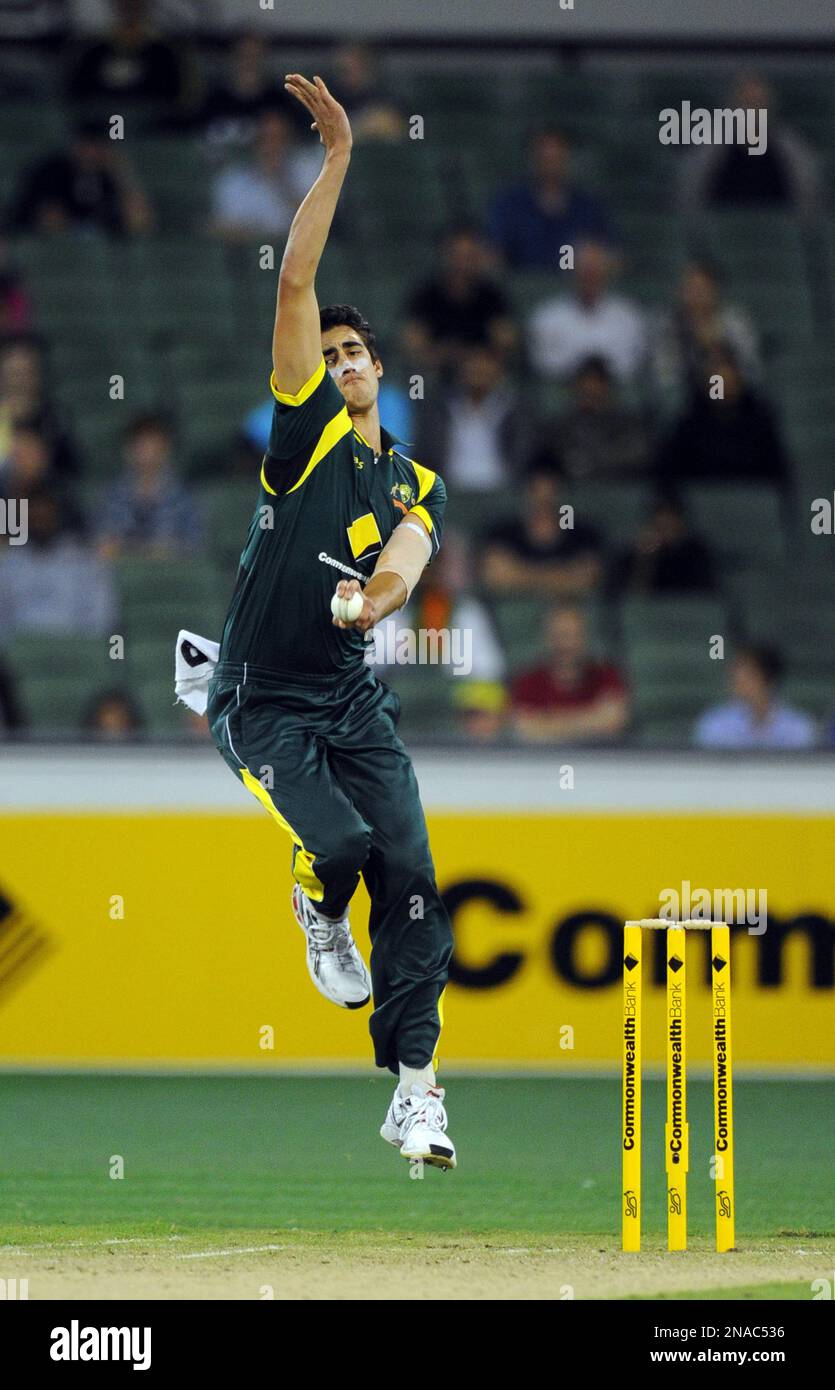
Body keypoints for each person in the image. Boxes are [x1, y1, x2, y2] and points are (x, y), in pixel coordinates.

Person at [206, 74, 456, 1169]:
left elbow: (405, 560)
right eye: (332, 350)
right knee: (346, 849)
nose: (343, 361)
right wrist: (341, 155)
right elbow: (297, 274)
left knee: (412, 872)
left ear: (381, 373)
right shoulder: (301, 431)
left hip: (350, 699)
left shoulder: (412, 480)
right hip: (262, 702)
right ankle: (318, 904)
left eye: (358, 352)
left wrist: (373, 599)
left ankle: (415, 1088)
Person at [681, 71, 820, 220]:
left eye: (758, 104)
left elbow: (808, 206)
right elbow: (689, 203)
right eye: (746, 103)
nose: (752, 112)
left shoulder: (793, 154)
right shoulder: (708, 153)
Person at [655, 343, 789, 485]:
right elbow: (670, 474)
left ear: (739, 375)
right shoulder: (689, 425)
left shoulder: (760, 421)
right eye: (713, 370)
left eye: (726, 369)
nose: (720, 380)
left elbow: (777, 474)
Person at [488, 127, 615, 270]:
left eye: (557, 157)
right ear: (533, 158)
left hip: (574, 288)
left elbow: (611, 255)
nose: (550, 163)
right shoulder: (510, 204)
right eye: (544, 157)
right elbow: (494, 253)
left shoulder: (589, 207)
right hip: (523, 286)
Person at [7, 119, 152, 238]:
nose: (93, 152)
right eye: (88, 145)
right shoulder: (50, 171)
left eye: (99, 146)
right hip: (54, 241)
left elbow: (140, 220)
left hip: (101, 239)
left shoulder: (109, 174)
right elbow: (45, 214)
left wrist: (122, 173)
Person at [528, 240, 648, 384]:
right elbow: (544, 364)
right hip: (564, 397)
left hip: (615, 397)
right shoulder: (547, 317)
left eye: (596, 272)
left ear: (607, 274)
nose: (590, 278)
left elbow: (631, 365)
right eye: (585, 271)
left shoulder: (629, 316)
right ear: (573, 273)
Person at [413, 345, 532, 489]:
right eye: (472, 368)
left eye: (483, 369)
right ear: (462, 371)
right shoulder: (444, 407)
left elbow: (522, 450)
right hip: (452, 485)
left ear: (496, 371)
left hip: (499, 485)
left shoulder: (511, 407)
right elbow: (428, 450)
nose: (477, 372)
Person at [402, 224, 516, 372]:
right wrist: (444, 354)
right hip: (437, 370)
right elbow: (413, 344)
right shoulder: (425, 295)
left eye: (469, 256)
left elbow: (505, 342)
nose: (463, 264)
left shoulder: (492, 295)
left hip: (482, 370)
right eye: (457, 256)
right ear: (445, 256)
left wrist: (476, 358)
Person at [481, 460, 603, 597]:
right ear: (526, 495)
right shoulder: (503, 533)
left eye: (551, 493)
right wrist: (558, 577)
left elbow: (586, 579)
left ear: (562, 496)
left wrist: (520, 574)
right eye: (536, 492)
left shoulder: (582, 535)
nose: (543, 502)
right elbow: (495, 575)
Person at [511, 604, 629, 743]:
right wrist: (591, 718)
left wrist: (549, 721)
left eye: (573, 635)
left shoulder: (606, 674)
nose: (566, 644)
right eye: (560, 635)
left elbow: (614, 720)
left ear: (585, 637)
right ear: (547, 638)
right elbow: (523, 728)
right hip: (543, 761)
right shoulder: (528, 680)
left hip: (597, 760)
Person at [652, 260, 762, 404]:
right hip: (688, 403)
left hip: (732, 396)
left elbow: (750, 368)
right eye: (691, 288)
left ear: (716, 290)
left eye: (703, 288)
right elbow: (665, 377)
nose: (697, 295)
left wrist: (716, 350)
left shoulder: (735, 322)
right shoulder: (669, 327)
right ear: (680, 291)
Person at [98, 414, 202, 558]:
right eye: (140, 446)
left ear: (165, 449)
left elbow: (196, 543)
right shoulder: (113, 494)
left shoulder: (184, 495)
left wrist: (169, 549)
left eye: (153, 445)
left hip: (170, 573)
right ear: (129, 451)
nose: (146, 453)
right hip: (123, 572)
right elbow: (103, 540)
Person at [211, 108, 319, 242]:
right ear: (255, 142)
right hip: (246, 252)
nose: (272, 145)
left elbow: (315, 222)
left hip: (293, 251)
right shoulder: (233, 179)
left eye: (279, 138)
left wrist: (280, 180)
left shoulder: (306, 170)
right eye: (266, 138)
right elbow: (222, 226)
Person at [694, 645, 817, 749]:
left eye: (746, 674)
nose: (737, 680)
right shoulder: (716, 723)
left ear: (767, 678)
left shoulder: (798, 726)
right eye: (735, 673)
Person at [556, 356, 650, 481]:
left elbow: (638, 452)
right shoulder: (564, 425)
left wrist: (595, 459)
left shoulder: (626, 422)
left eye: (597, 384)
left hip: (619, 487)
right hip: (575, 492)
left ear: (607, 387)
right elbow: (558, 458)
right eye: (585, 387)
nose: (591, 391)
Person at [618, 493, 716, 595]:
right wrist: (645, 559)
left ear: (681, 521)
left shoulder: (698, 554)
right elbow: (634, 597)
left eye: (670, 517)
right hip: (649, 609)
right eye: (660, 518)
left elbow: (704, 596)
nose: (666, 524)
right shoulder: (638, 555)